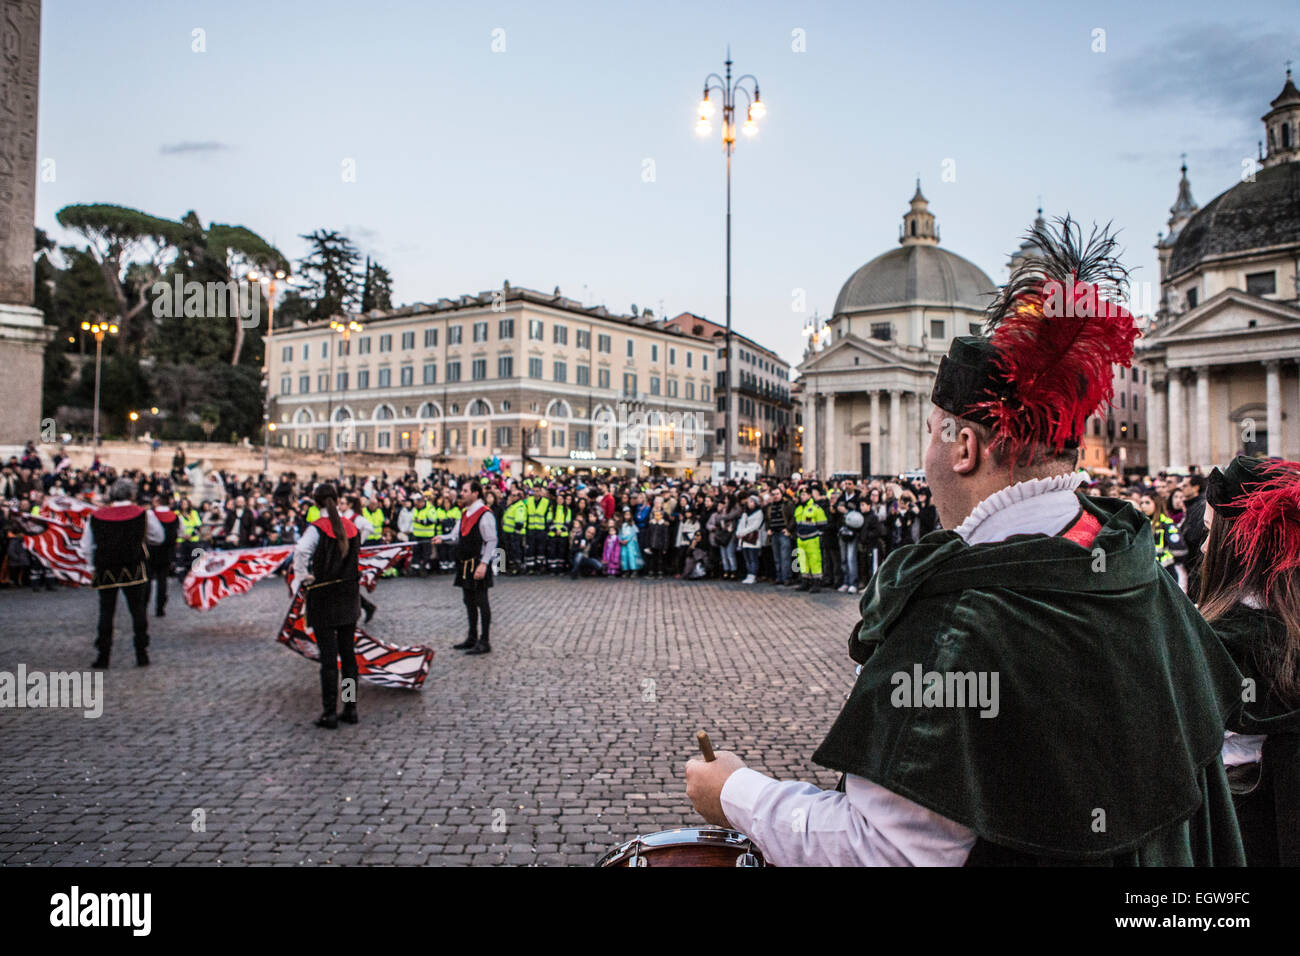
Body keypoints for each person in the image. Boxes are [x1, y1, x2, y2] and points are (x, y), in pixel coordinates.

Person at [685, 216, 1245, 865]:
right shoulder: (1131, 562)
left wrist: (736, 792)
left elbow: (891, 852)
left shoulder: (957, 616)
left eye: (931, 431)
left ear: (964, 447)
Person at [1200, 456, 1300, 865]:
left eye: (1209, 532)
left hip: (1237, 838)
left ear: (1242, 548)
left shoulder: (1206, 642)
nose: (1203, 546)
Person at [292, 483, 362, 729]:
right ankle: (350, 707)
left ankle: (330, 712)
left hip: (324, 596)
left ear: (316, 502)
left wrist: (302, 577)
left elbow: (300, 551)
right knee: (349, 657)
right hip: (349, 595)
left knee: (329, 659)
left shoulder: (316, 529)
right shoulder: (354, 526)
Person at [81, 479, 165, 669]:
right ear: (132, 495)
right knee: (137, 610)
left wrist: (90, 567)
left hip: (105, 567)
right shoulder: (144, 514)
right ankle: (141, 653)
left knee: (106, 612)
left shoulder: (96, 516)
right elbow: (158, 538)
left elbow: (86, 546)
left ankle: (103, 655)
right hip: (133, 566)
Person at [437, 478, 497, 655]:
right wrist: (442, 538)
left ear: (475, 493)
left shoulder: (485, 514)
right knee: (468, 602)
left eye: (464, 491)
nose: (461, 494)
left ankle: (484, 641)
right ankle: (472, 637)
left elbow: (491, 541)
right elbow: (456, 536)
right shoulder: (465, 513)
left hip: (477, 564)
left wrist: (484, 564)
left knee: (481, 602)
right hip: (464, 564)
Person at [1139, 490, 1187, 583]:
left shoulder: (1167, 523)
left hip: (1165, 571)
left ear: (1156, 504)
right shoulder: (1141, 523)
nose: (1143, 506)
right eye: (1141, 503)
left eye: (1147, 503)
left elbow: (1179, 550)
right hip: (1146, 572)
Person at [148, 493, 179, 616]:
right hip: (167, 552)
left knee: (148, 580)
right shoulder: (175, 517)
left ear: (157, 502)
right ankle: (160, 608)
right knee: (162, 581)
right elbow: (180, 532)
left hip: (151, 550)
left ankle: (144, 604)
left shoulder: (150, 515)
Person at [793, 485, 827, 592]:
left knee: (814, 561)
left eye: (804, 494)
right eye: (801, 495)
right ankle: (805, 581)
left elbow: (823, 524)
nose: (802, 497)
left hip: (812, 539)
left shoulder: (816, 508)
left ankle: (817, 582)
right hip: (801, 539)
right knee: (802, 561)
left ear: (809, 495)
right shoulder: (798, 508)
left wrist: (818, 535)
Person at [736, 495, 766, 585]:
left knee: (753, 558)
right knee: (747, 558)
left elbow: (755, 526)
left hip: (753, 538)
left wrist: (743, 532)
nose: (749, 503)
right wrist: (739, 532)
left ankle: (753, 575)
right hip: (744, 539)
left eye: (751, 502)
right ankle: (749, 574)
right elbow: (741, 523)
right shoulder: (745, 513)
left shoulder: (759, 513)